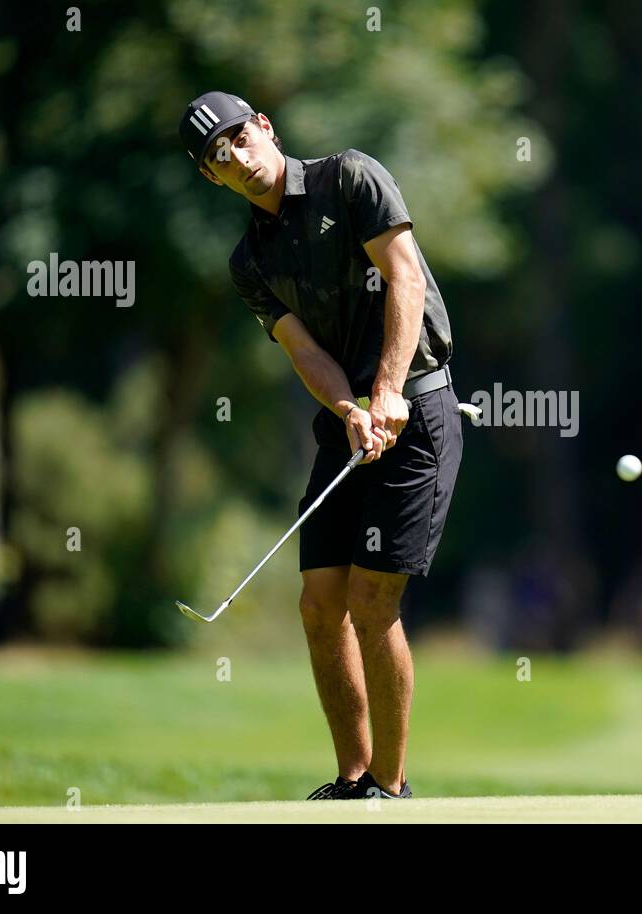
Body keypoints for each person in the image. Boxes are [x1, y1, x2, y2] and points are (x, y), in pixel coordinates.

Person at [179, 92, 464, 800]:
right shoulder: (251, 260)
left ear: (265, 127)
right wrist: (347, 408)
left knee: (372, 600)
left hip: (418, 407)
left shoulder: (351, 178)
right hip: (348, 424)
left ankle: (392, 790)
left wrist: (389, 390)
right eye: (218, 159)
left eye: (239, 139)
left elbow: (404, 276)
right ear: (212, 179)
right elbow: (302, 349)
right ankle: (352, 779)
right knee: (319, 604)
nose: (236, 159)